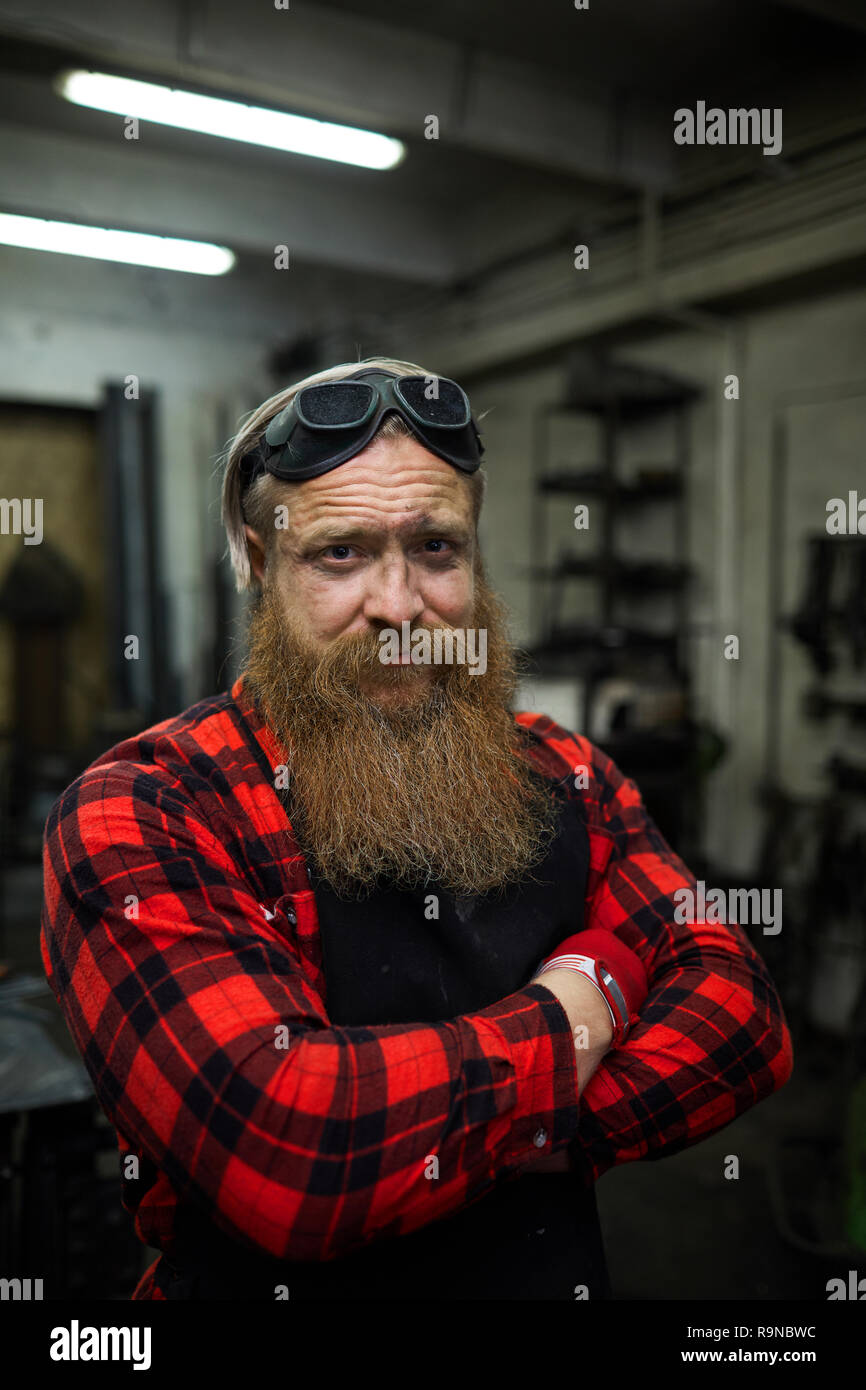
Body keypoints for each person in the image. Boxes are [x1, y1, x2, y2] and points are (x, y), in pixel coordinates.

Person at [40, 356, 793, 1300]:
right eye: (341, 554)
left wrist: (496, 1130)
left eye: (437, 549)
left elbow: (743, 1016)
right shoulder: (150, 809)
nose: (399, 608)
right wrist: (585, 994)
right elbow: (296, 1152)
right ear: (264, 562)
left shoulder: (564, 772)